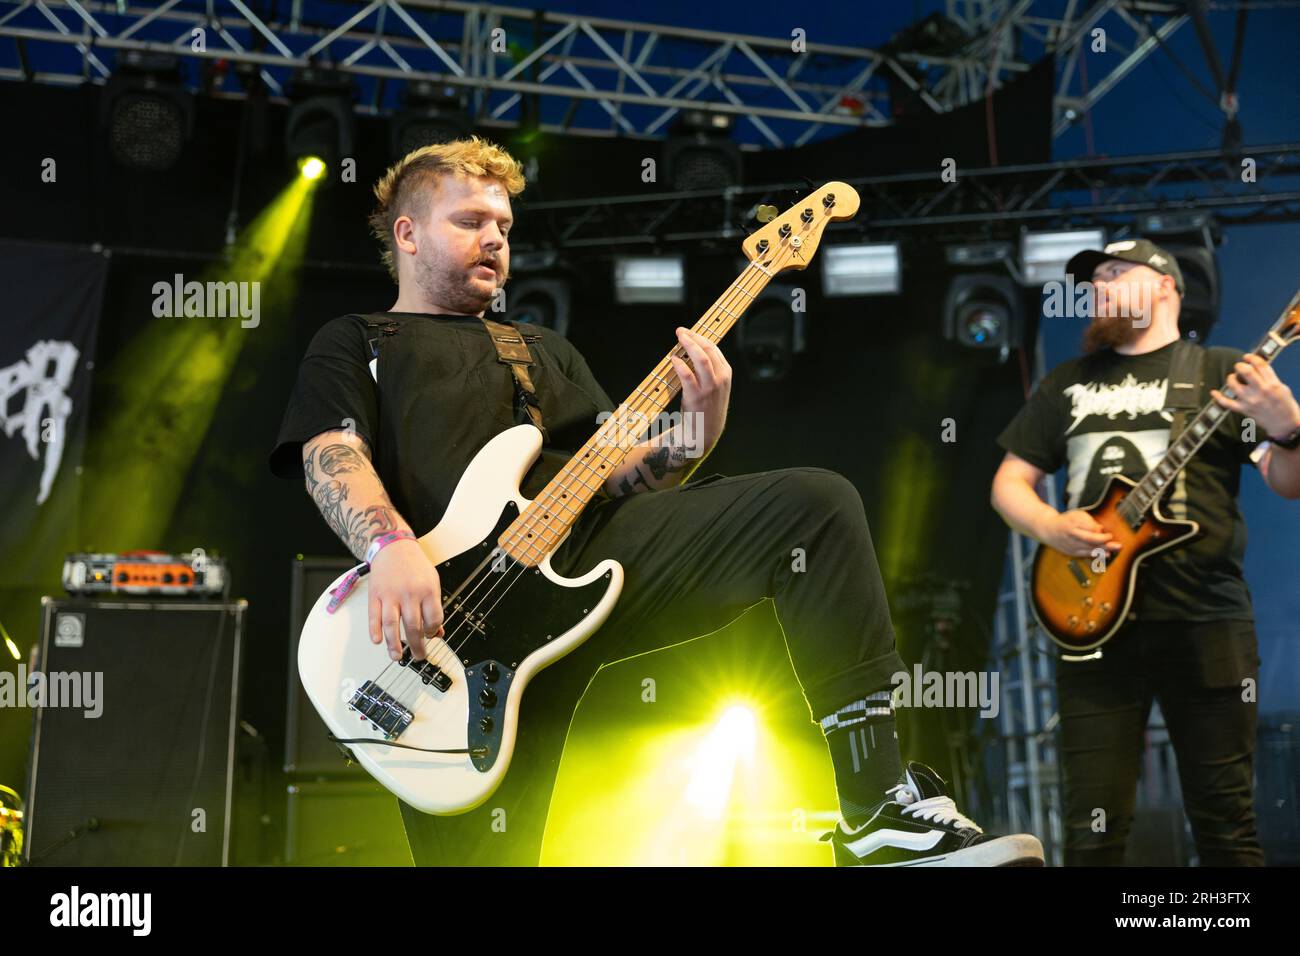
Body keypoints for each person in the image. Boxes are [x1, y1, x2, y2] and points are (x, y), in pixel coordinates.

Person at [270, 136, 1044, 866]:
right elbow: (330, 452)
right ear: (407, 233)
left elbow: (613, 472)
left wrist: (692, 436)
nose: (495, 238)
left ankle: (875, 808)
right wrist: (390, 546)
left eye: (504, 223)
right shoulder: (358, 341)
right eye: (470, 220)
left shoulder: (536, 349)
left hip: (588, 563)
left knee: (815, 504)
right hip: (446, 623)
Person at [991, 238, 1300, 866]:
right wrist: (1052, 527)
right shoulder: (1066, 384)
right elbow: (1007, 485)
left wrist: (1287, 424)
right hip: (1091, 625)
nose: (1098, 287)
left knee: (1226, 822)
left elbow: (1287, 482)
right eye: (1093, 278)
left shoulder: (1218, 371)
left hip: (1206, 619)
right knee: (1092, 829)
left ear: (1165, 286)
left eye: (1114, 274)